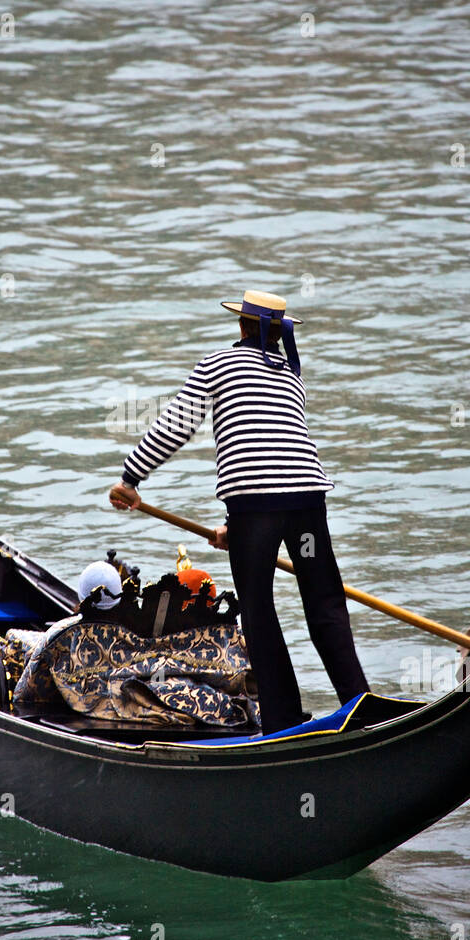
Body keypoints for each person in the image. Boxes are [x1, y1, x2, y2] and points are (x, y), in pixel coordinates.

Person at [109, 288, 370, 735]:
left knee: (258, 608)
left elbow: (176, 423)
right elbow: (279, 448)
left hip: (255, 505)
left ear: (243, 325)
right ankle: (359, 702)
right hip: (307, 498)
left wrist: (130, 479)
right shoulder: (290, 372)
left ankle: (284, 717)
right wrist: (236, 527)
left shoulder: (217, 363)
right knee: (325, 602)